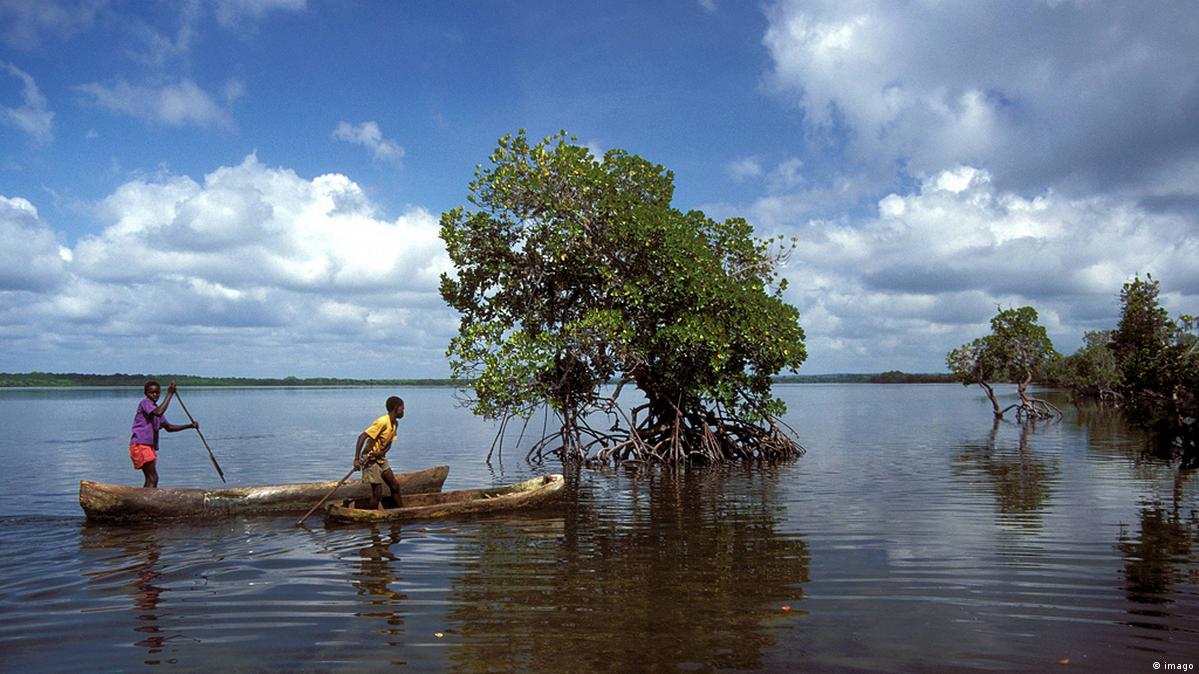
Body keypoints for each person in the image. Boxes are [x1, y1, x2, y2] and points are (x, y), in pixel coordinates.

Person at [129, 380, 197, 488]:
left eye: (157, 392)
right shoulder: (145, 403)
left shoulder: (156, 410)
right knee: (153, 478)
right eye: (152, 392)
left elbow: (169, 427)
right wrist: (169, 394)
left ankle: (145, 500)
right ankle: (148, 501)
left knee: (149, 478)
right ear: (146, 393)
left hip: (148, 446)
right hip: (140, 445)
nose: (155, 395)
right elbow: (159, 411)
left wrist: (189, 426)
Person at [353, 396, 405, 510]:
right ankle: (371, 517)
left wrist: (381, 453)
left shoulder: (395, 424)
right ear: (396, 408)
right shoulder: (382, 422)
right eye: (402, 408)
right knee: (378, 492)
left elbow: (389, 443)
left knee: (395, 486)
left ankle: (402, 510)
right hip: (370, 459)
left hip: (380, 458)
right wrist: (356, 459)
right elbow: (362, 437)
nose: (403, 411)